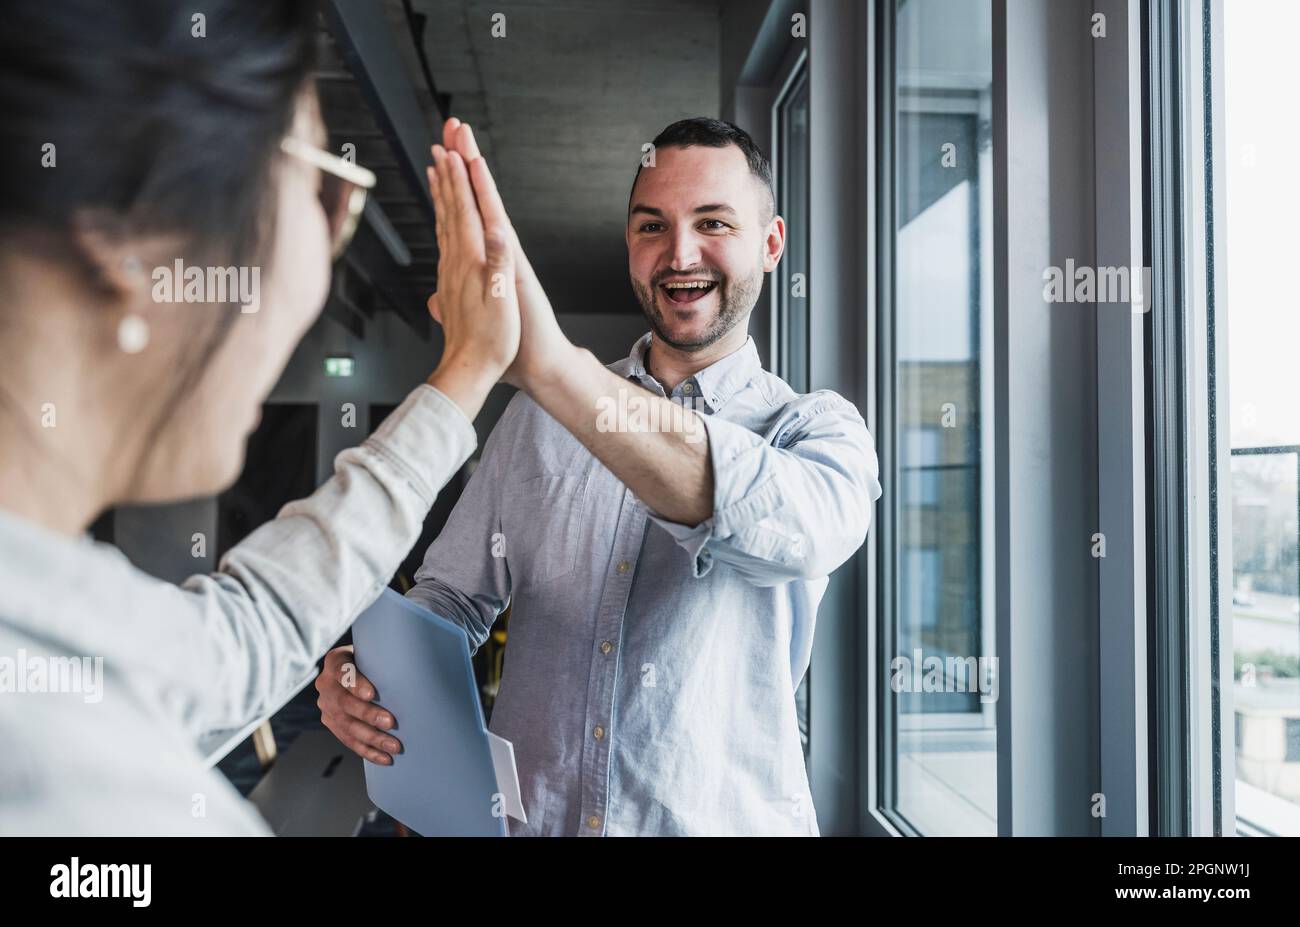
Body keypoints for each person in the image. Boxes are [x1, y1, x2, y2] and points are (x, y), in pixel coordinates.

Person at [0, 0, 524, 835]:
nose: (319, 270)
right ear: (138, 231)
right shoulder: (92, 796)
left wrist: (464, 375)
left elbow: (239, 637)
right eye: (322, 191)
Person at [316, 116, 883, 836]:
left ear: (771, 244)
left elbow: (783, 527)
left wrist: (550, 366)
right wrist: (366, 675)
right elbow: (452, 602)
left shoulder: (817, 431)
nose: (680, 254)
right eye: (652, 226)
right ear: (630, 246)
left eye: (713, 222)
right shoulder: (537, 417)